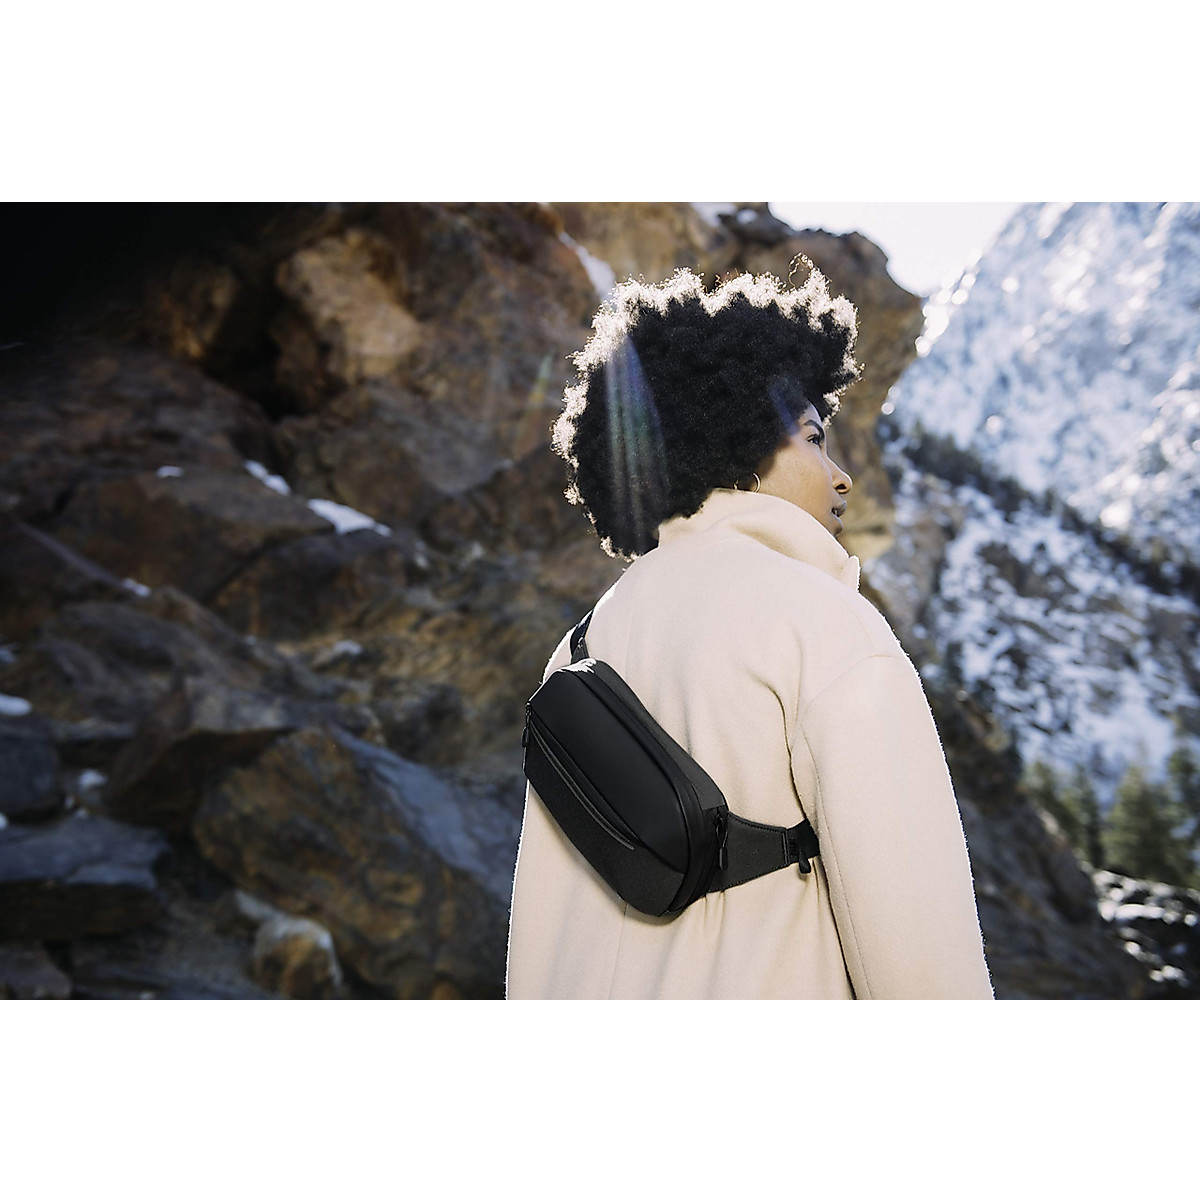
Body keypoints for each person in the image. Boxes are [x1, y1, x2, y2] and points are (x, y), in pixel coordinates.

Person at [506, 263, 993, 999]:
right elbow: (921, 953)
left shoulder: (580, 647)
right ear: (736, 435)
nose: (841, 477)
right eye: (814, 438)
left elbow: (541, 929)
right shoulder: (824, 624)